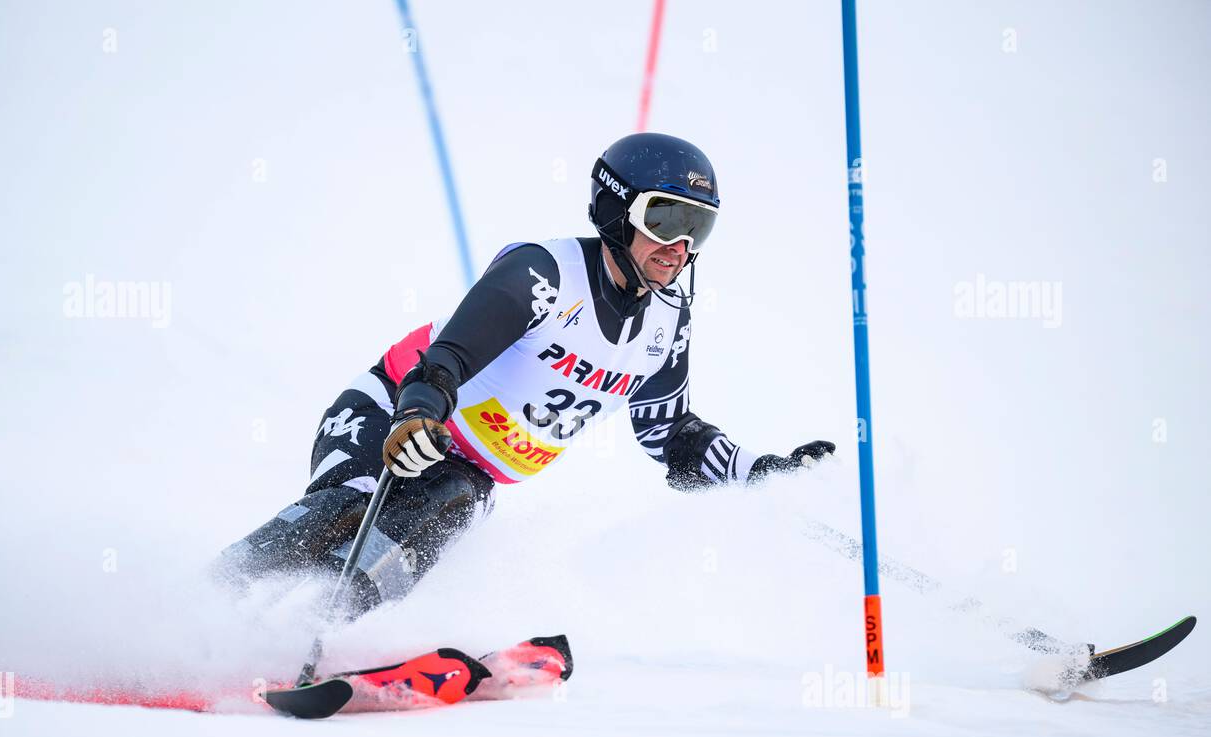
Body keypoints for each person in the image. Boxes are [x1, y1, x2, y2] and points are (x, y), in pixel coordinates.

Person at [216, 132, 835, 611]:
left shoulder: (666, 322)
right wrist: (415, 416)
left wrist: (762, 474)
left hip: (466, 469)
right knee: (348, 511)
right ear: (619, 212)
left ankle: (318, 629)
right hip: (391, 417)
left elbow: (669, 435)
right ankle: (206, 604)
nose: (680, 246)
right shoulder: (547, 273)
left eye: (698, 227)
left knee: (443, 507)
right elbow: (447, 360)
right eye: (666, 220)